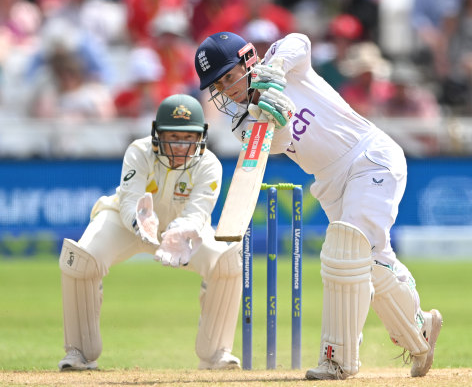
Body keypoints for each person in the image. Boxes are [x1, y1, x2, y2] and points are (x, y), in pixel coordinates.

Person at [194, 31, 442, 380]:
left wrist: (276, 71)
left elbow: (300, 41)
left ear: (249, 60)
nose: (227, 90)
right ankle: (420, 329)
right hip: (330, 183)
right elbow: (277, 143)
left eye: (230, 77)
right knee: (371, 262)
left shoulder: (284, 64)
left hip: (368, 159)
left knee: (345, 252)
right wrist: (275, 117)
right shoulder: (243, 120)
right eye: (218, 85)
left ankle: (337, 359)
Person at [57, 94, 243, 371]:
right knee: (81, 260)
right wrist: (140, 221)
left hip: (182, 234)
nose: (180, 146)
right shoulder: (139, 151)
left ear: (201, 136)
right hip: (125, 224)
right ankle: (80, 353)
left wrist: (179, 232)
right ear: (157, 134)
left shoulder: (209, 164)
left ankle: (215, 352)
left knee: (227, 262)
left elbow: (198, 213)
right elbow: (130, 200)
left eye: (188, 138)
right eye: (173, 136)